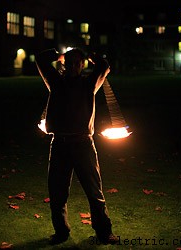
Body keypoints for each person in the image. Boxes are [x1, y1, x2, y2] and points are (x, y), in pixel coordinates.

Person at [35, 47, 119, 245]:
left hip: (83, 144)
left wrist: (89, 55)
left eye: (78, 62)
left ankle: (104, 232)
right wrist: (59, 55)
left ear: (83, 65)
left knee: (94, 191)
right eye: (70, 62)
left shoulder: (89, 83)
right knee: (57, 191)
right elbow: (40, 58)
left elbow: (104, 66)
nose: (74, 66)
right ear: (64, 63)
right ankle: (61, 232)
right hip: (60, 145)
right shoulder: (55, 81)